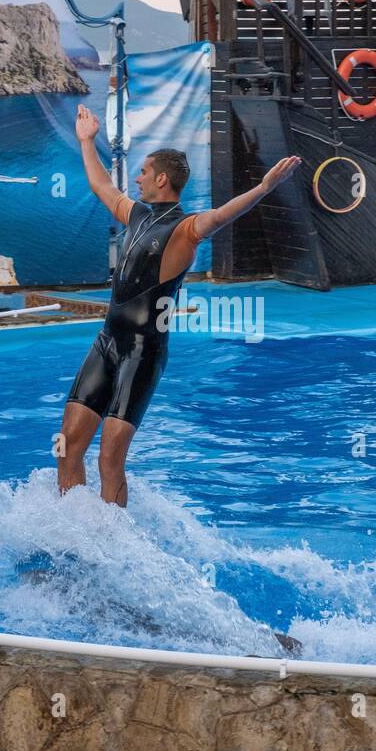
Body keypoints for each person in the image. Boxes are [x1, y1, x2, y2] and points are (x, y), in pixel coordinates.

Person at [57, 105, 302, 507]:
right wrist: (86, 141)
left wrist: (264, 188)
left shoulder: (185, 229)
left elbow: (222, 216)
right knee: (67, 444)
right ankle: (70, 534)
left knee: (109, 457)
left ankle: (113, 547)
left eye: (142, 172)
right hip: (106, 343)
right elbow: (102, 186)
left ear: (162, 179)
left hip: (142, 352)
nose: (136, 178)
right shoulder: (136, 214)